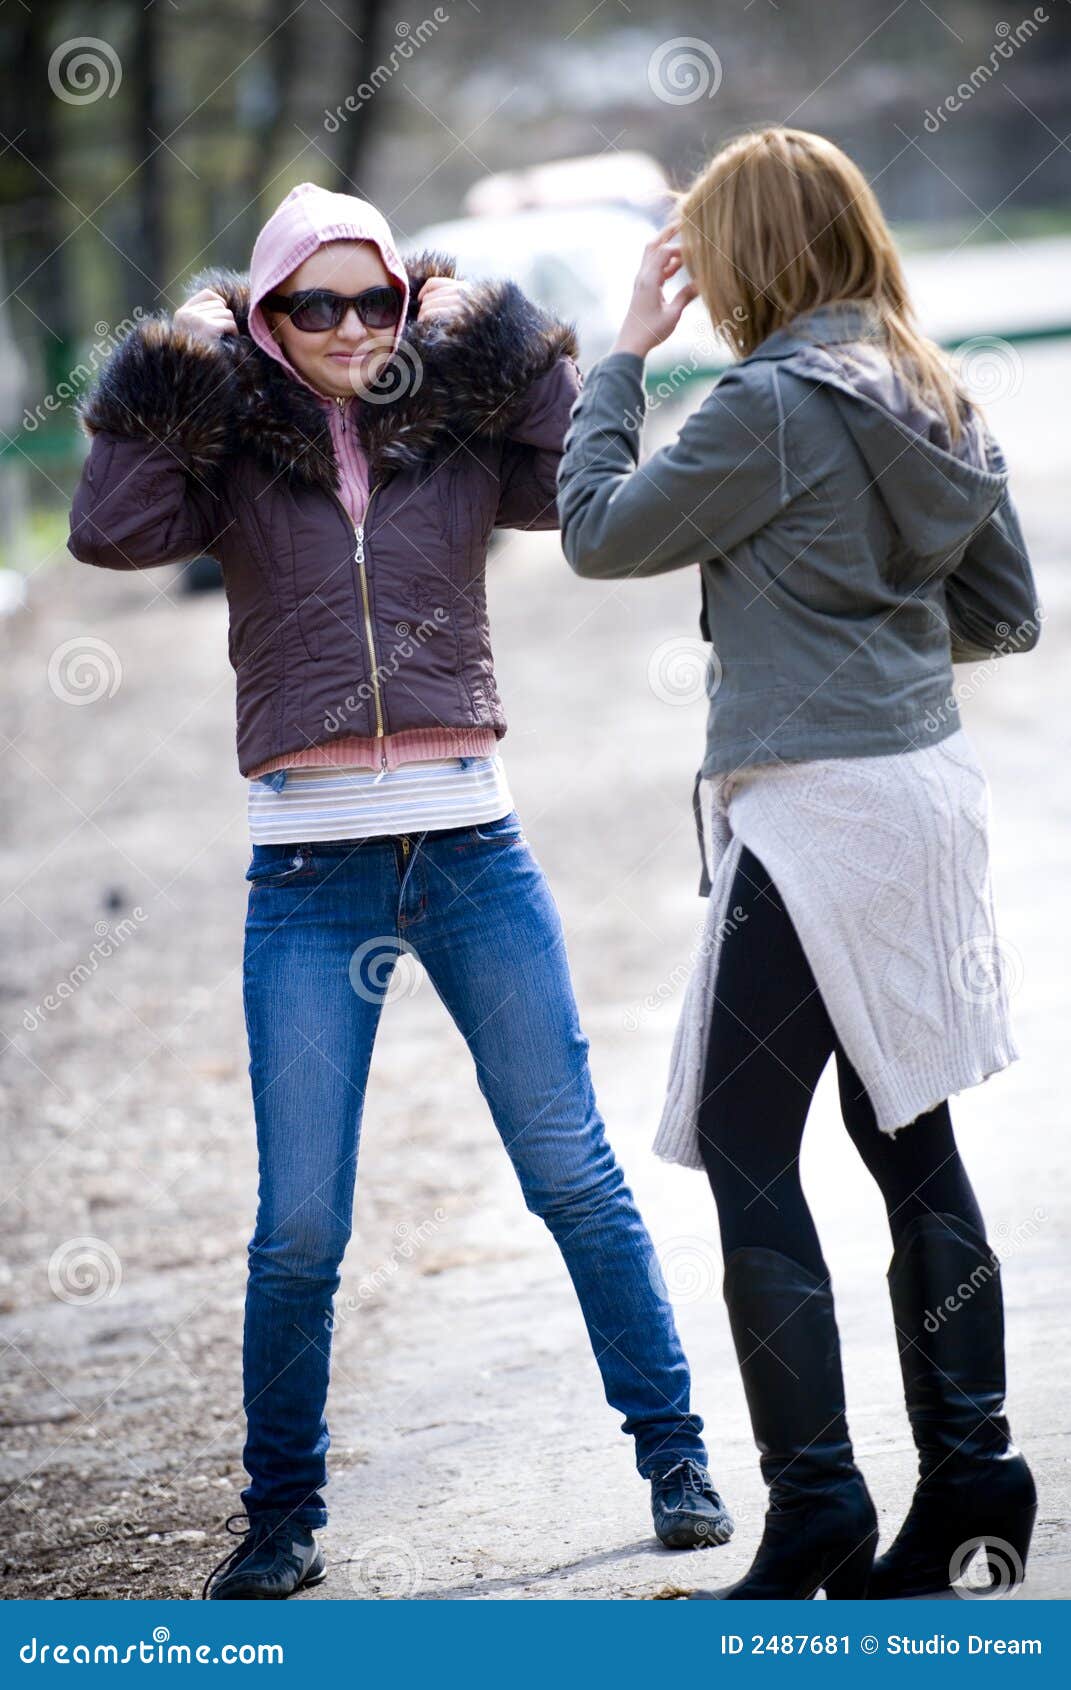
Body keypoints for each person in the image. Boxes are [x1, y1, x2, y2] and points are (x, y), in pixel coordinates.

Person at [68, 182, 733, 1600]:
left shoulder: (454, 433)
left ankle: (675, 1454)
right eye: (318, 305)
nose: (354, 327)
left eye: (378, 300)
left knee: (573, 1172)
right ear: (266, 317)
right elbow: (109, 529)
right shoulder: (232, 452)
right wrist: (176, 364)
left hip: (473, 853)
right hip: (305, 873)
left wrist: (528, 340)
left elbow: (583, 486)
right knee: (300, 1219)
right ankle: (282, 1517)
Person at [558, 128, 1039, 1600]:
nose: (691, 282)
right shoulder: (935, 385)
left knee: (746, 1141)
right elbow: (1005, 613)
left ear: (752, 254)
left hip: (817, 808)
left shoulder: (761, 407)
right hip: (925, 792)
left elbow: (593, 532)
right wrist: (872, 649)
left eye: (706, 251)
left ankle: (820, 1499)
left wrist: (623, 358)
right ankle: (975, 1477)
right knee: (912, 1139)